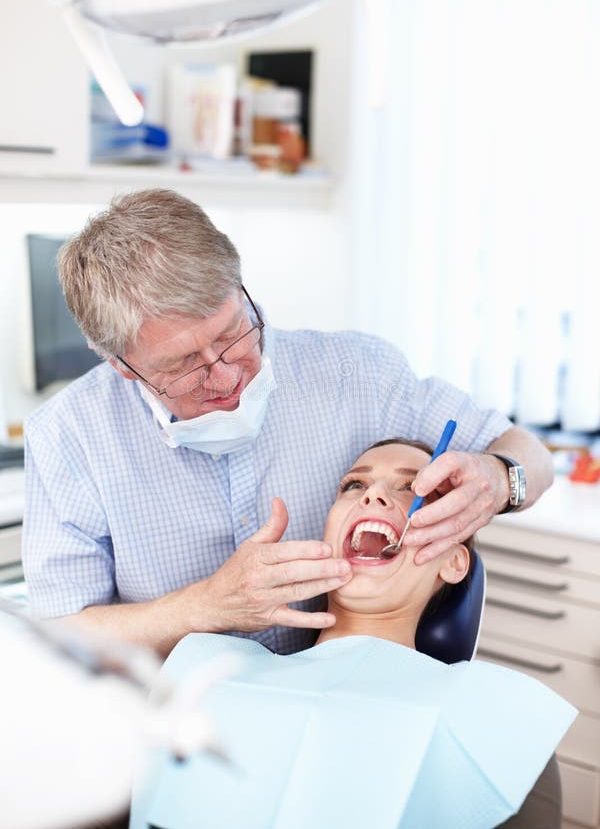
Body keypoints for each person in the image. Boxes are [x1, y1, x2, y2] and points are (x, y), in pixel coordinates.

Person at [22, 188, 553, 658]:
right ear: (122, 366)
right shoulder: (69, 438)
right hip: (176, 719)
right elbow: (59, 638)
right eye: (182, 366)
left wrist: (500, 477)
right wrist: (205, 606)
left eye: (232, 334)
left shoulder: (357, 374)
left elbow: (529, 454)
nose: (225, 376)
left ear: (242, 291)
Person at [129, 439, 573, 829]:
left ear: (454, 562)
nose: (374, 495)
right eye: (354, 486)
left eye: (411, 488)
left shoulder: (499, 723)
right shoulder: (206, 673)